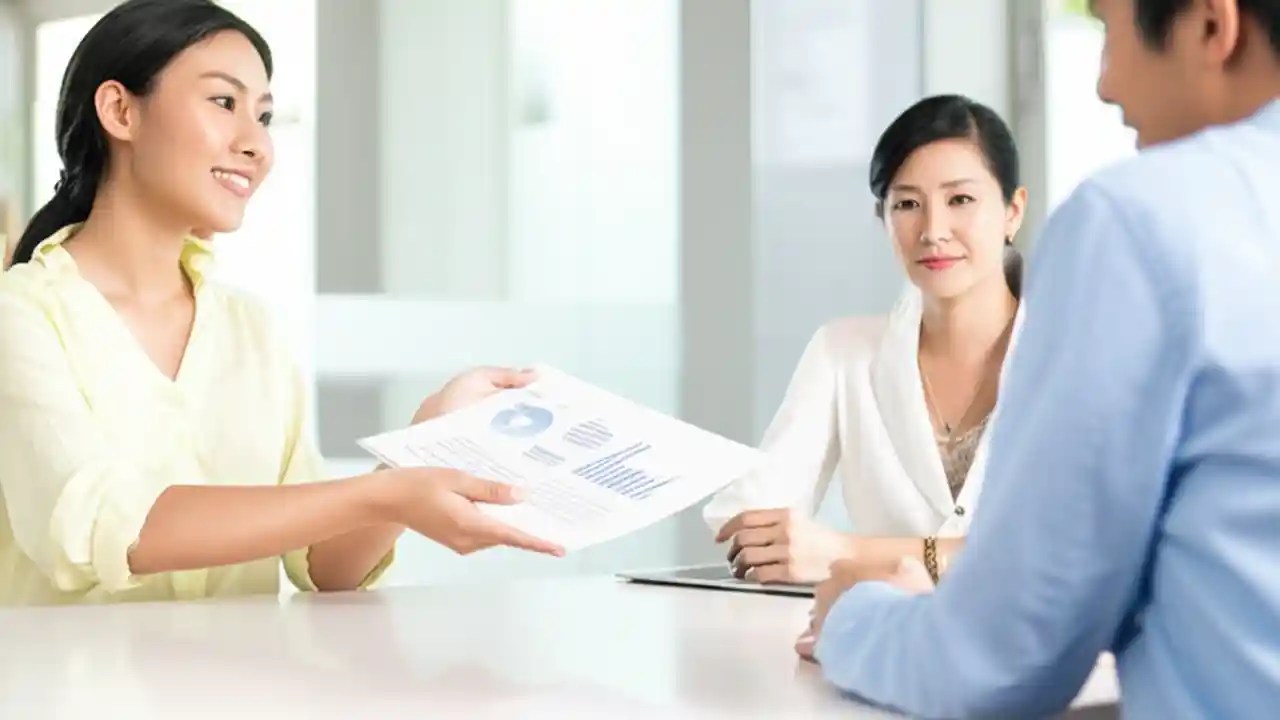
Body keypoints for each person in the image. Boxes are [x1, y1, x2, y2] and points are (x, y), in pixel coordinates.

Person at [802, 0, 1280, 717]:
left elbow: (999, 660)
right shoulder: (844, 346)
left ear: (1212, 26)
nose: (1105, 85)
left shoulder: (1143, 219)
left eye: (1110, 29)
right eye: (906, 205)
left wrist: (852, 615)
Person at [0, 0, 561, 607]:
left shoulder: (250, 328)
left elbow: (325, 566)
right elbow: (96, 527)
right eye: (224, 102)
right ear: (120, 110)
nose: (258, 145)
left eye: (264, 116)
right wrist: (384, 495)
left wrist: (424, 444)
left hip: (242, 670)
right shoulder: (22, 315)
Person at [704, 95, 1027, 585]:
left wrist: (846, 552)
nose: (933, 231)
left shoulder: (1075, 355)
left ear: (1012, 211)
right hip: (880, 631)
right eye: (907, 204)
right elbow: (747, 520)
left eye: (960, 200)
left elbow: (1061, 552)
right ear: (884, 218)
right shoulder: (843, 351)